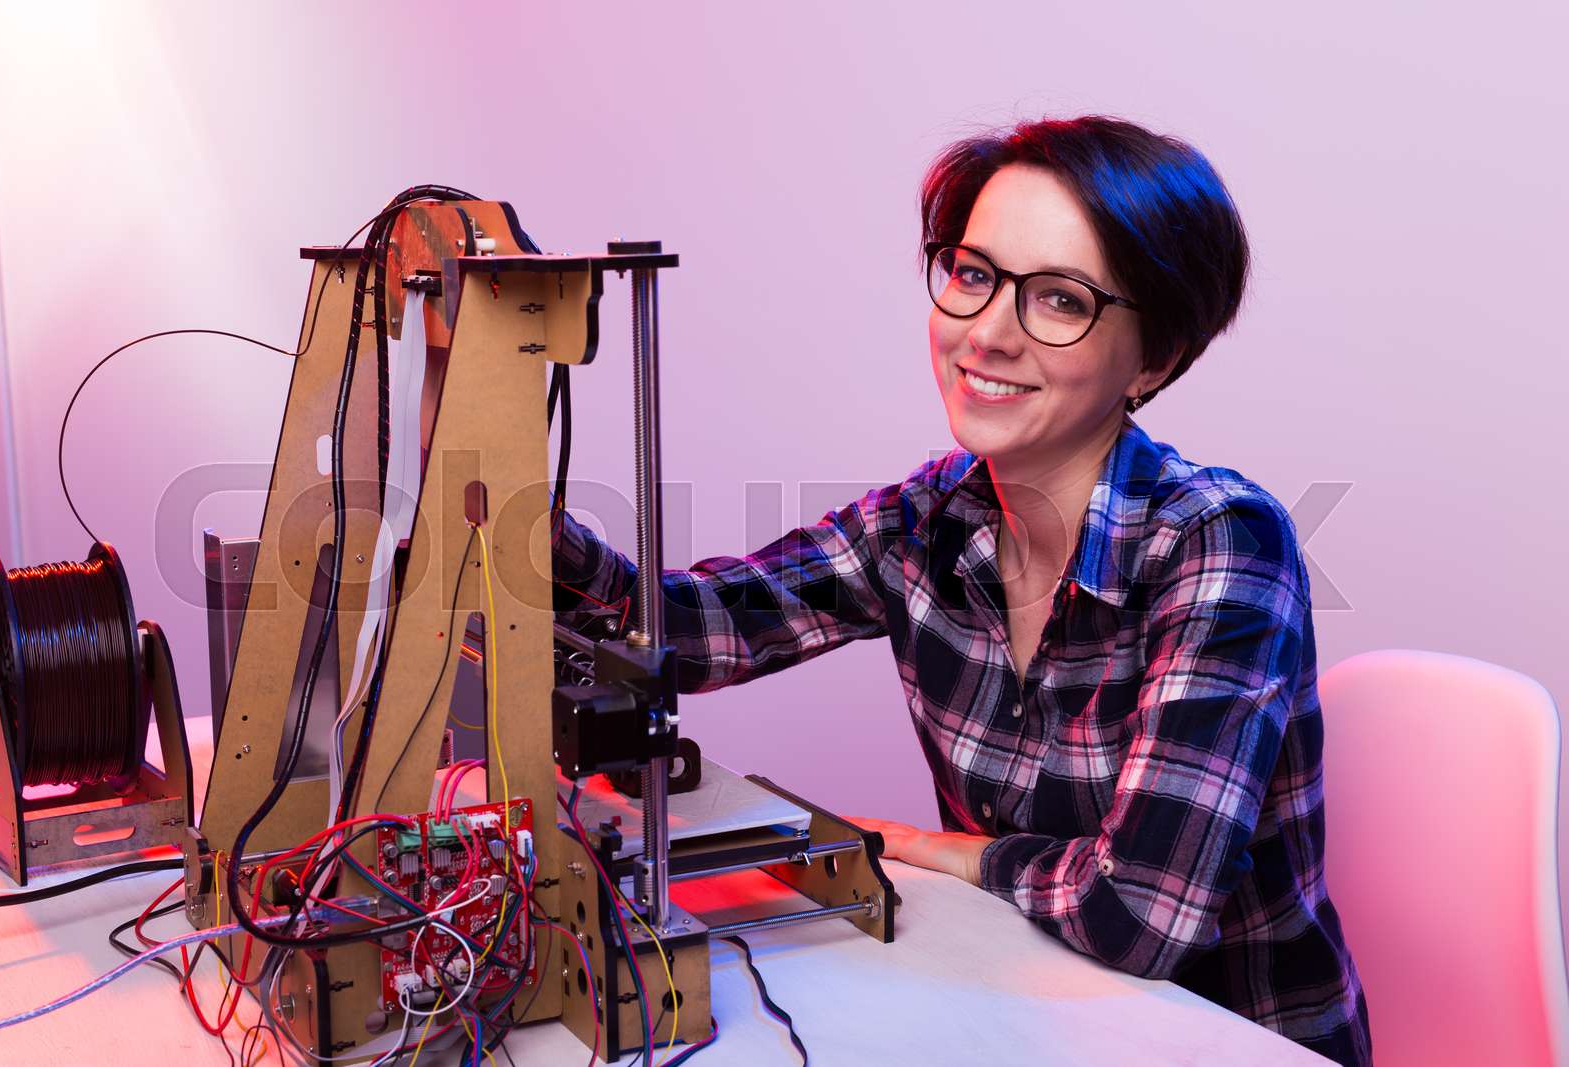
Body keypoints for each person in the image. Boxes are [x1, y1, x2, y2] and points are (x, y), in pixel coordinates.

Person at [552, 115, 1371, 1066]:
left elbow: (1142, 915)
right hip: (1030, 1013)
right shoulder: (928, 517)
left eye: (1059, 300)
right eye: (973, 274)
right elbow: (695, 634)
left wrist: (959, 853)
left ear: (1154, 360)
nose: (985, 333)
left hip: (1223, 1041)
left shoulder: (1223, 543)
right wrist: (506, 495)